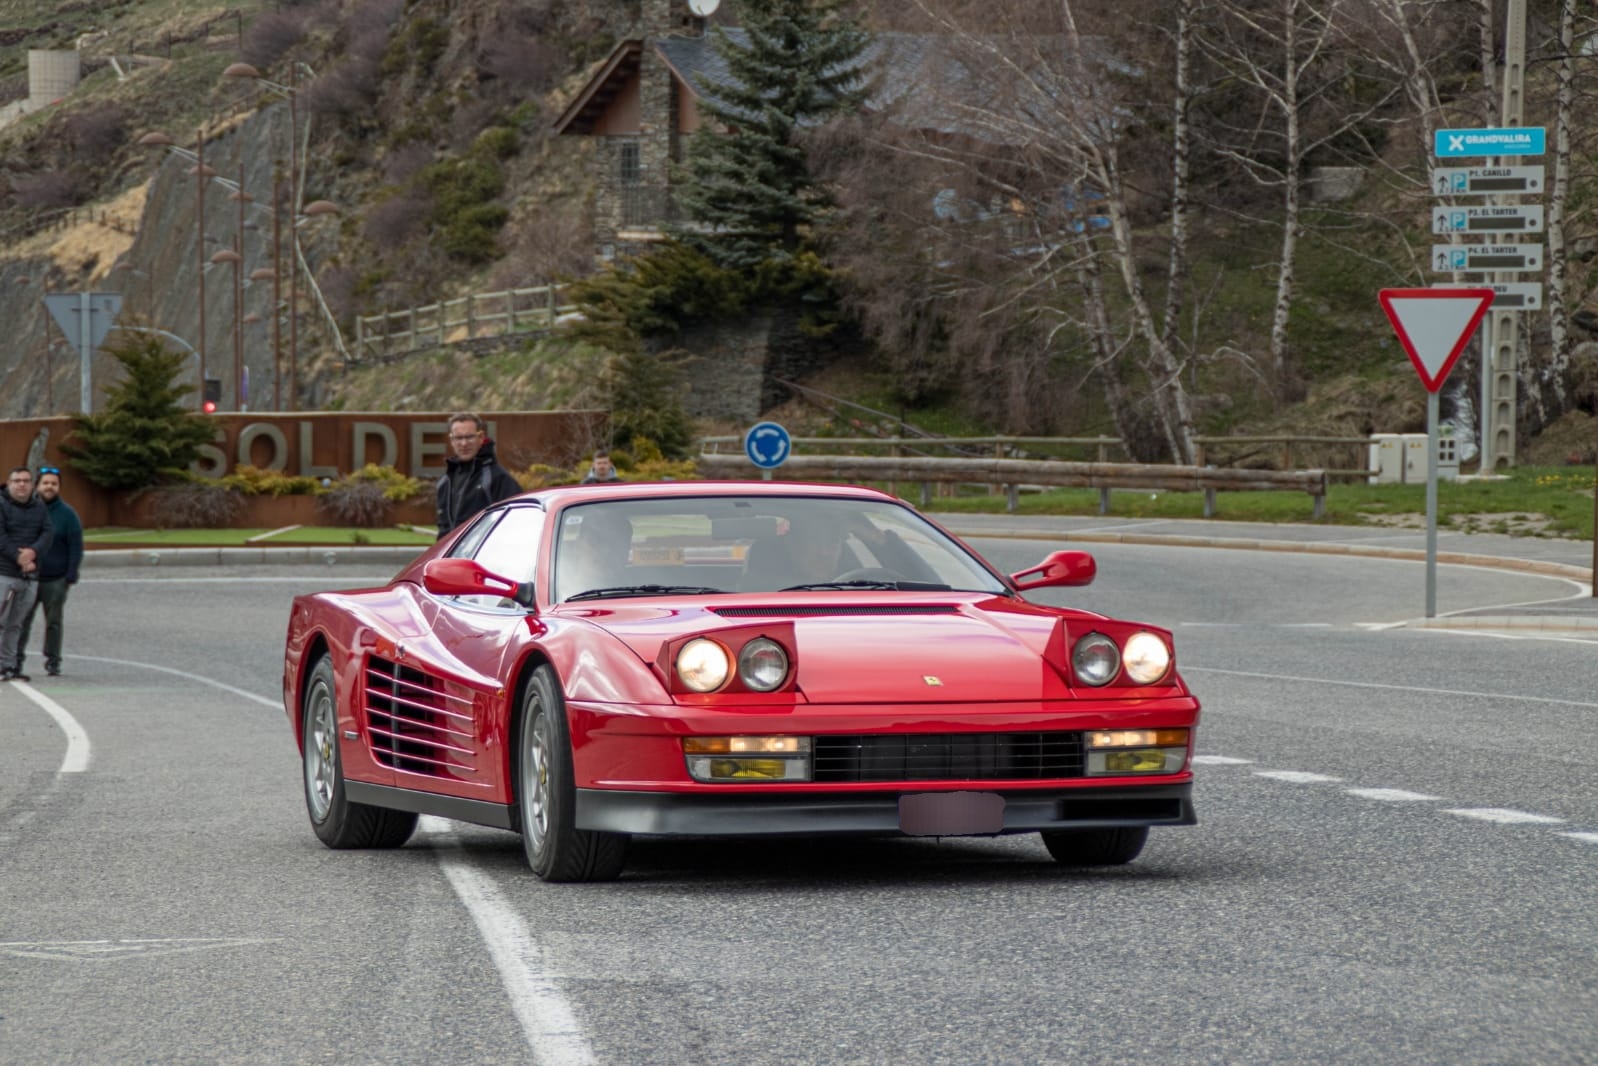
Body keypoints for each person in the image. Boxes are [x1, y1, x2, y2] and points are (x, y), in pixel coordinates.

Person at [15, 466, 83, 678]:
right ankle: (15, 659)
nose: (49, 487)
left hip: (55, 579)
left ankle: (53, 660)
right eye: (46, 483)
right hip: (28, 577)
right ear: (37, 485)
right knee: (21, 620)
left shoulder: (68, 515)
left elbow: (75, 545)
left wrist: (71, 572)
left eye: (54, 484)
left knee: (53, 621)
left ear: (59, 487)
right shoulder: (27, 510)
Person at [0, 467, 53, 682]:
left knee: (15, 624)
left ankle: (8, 665)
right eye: (17, 481)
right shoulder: (1, 504)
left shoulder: (39, 507)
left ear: (32, 485)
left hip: (30, 576)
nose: (21, 484)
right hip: (4, 573)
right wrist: (18, 557)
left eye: (26, 481)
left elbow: (47, 533)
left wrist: (33, 552)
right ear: (9, 483)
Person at [436, 412, 521, 538]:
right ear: (451, 440)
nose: (464, 443)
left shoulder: (497, 477)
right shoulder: (446, 482)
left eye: (469, 437)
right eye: (458, 438)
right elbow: (444, 530)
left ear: (481, 437)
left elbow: (516, 522)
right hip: (455, 551)